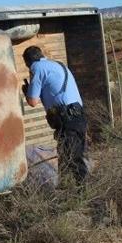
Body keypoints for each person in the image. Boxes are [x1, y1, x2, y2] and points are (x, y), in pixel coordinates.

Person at [21, 46, 89, 184]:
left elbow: (33, 101)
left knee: (72, 159)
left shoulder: (37, 68)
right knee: (68, 158)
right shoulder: (57, 65)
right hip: (77, 117)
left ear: (28, 61)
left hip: (68, 119)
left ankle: (82, 195)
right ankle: (69, 193)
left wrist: (27, 91)